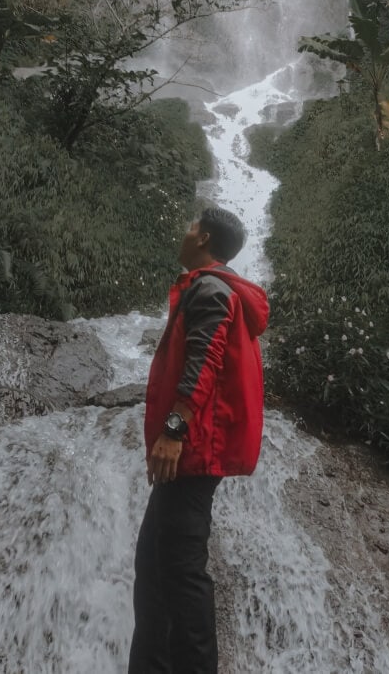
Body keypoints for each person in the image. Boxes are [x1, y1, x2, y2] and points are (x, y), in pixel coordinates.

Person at [128, 206, 270, 674]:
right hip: (192, 453)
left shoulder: (210, 288)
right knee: (154, 570)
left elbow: (204, 360)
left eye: (190, 225)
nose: (184, 231)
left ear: (204, 237)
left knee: (180, 573)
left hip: (193, 449)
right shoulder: (212, 287)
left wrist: (173, 430)